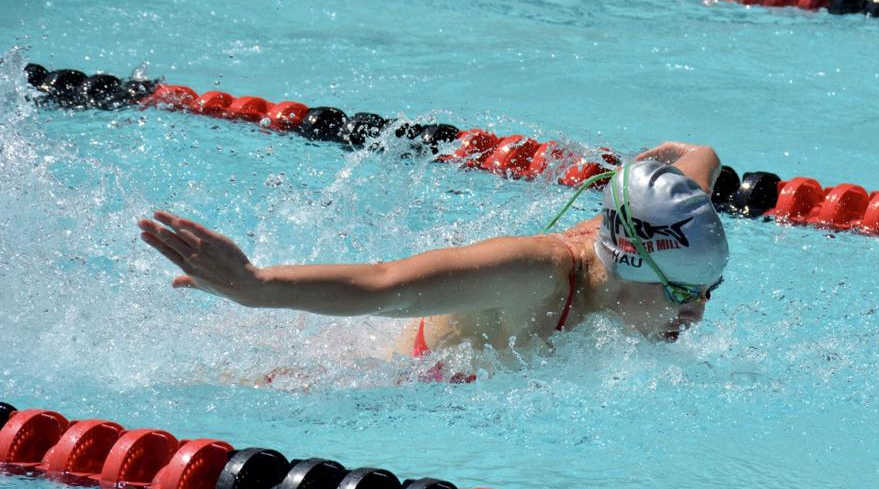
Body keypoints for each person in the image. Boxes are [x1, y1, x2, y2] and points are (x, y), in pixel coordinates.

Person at [138, 141, 728, 381]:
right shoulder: (535, 273)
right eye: (681, 292)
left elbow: (702, 157)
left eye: (708, 291)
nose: (697, 314)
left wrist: (677, 161)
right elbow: (381, 284)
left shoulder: (655, 251)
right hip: (404, 376)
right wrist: (256, 285)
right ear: (628, 263)